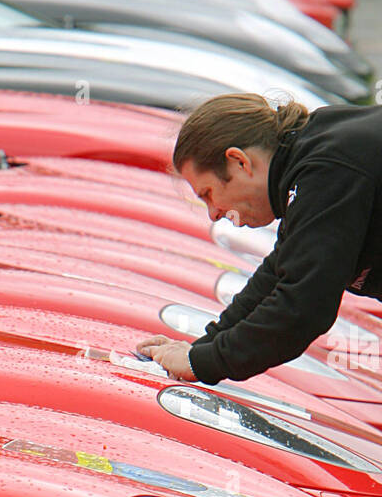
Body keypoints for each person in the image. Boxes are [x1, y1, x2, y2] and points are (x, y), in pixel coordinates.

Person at [137, 92, 382, 384]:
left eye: (208, 194)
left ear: (240, 162)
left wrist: (202, 362)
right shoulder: (315, 151)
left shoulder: (329, 168)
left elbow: (302, 307)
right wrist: (202, 349)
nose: (213, 214)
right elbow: (280, 272)